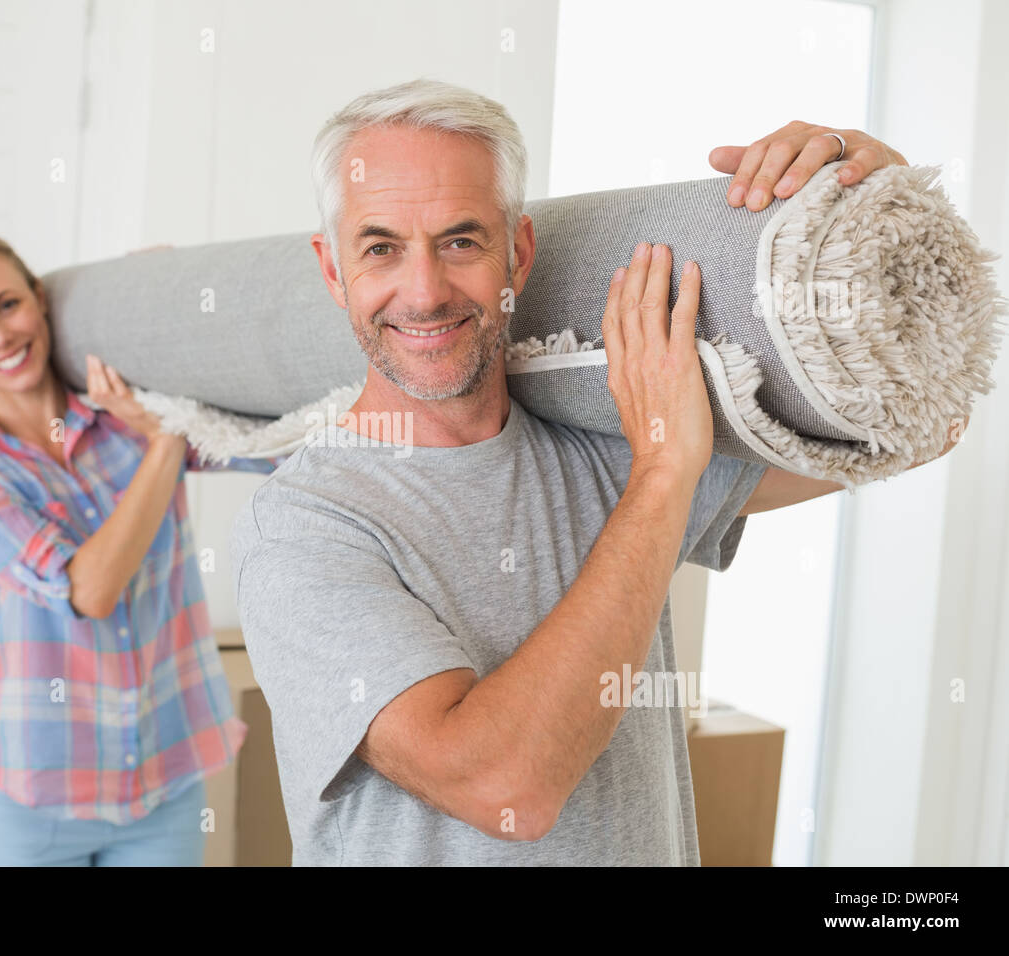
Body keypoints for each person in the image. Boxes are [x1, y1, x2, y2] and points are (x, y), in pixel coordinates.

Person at [229, 78, 957, 865]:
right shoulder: (301, 528)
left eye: (462, 240)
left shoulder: (606, 444)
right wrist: (665, 471)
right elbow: (506, 790)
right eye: (380, 247)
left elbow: (921, 428)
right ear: (333, 272)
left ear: (520, 252)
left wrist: (881, 197)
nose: (426, 291)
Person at [0, 234, 281, 866]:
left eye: (7, 305)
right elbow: (88, 590)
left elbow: (277, 452)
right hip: (32, 804)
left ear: (39, 299)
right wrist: (165, 443)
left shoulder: (125, 418)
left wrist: (162, 303)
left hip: (164, 788)